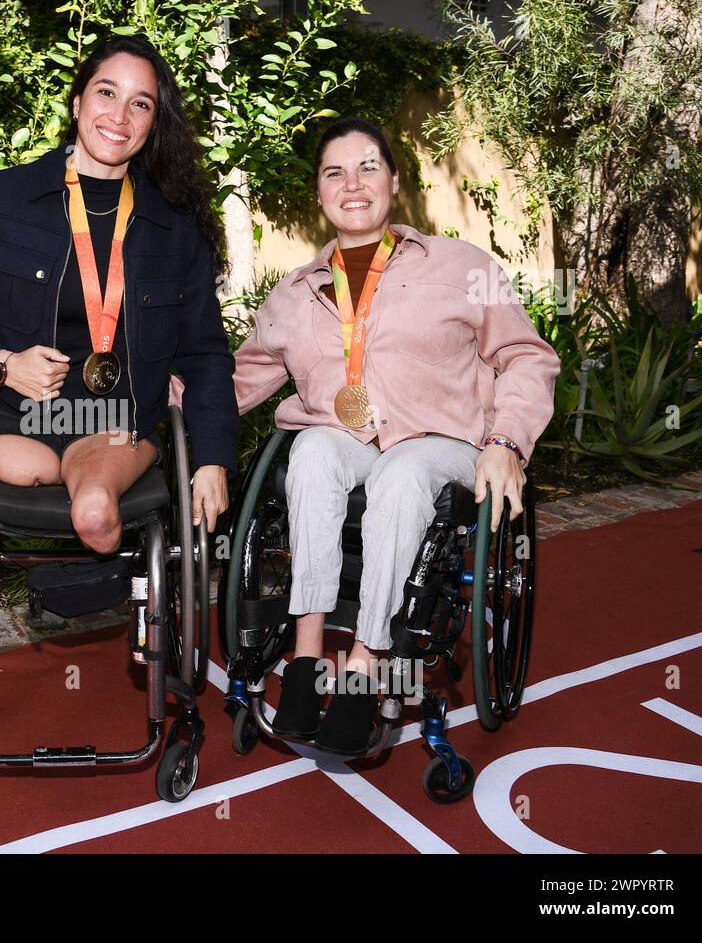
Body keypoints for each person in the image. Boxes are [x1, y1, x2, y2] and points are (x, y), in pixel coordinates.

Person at [229, 117, 560, 751]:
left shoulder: (462, 264)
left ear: (395, 181)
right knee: (312, 450)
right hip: (347, 437)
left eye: (367, 168)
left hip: (446, 441)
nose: (351, 184)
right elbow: (235, 383)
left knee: (403, 471)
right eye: (334, 173)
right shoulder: (295, 296)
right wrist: (144, 388)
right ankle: (304, 658)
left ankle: (365, 664)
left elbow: (528, 355)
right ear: (320, 194)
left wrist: (508, 441)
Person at [0, 36, 238, 554]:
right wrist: (0, 362)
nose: (120, 115)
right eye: (106, 93)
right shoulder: (2, 200)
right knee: (25, 466)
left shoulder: (174, 228)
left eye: (141, 103)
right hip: (20, 418)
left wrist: (212, 458)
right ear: (77, 103)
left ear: (154, 122)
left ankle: (118, 590)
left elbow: (205, 354)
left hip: (117, 424)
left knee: (91, 511)